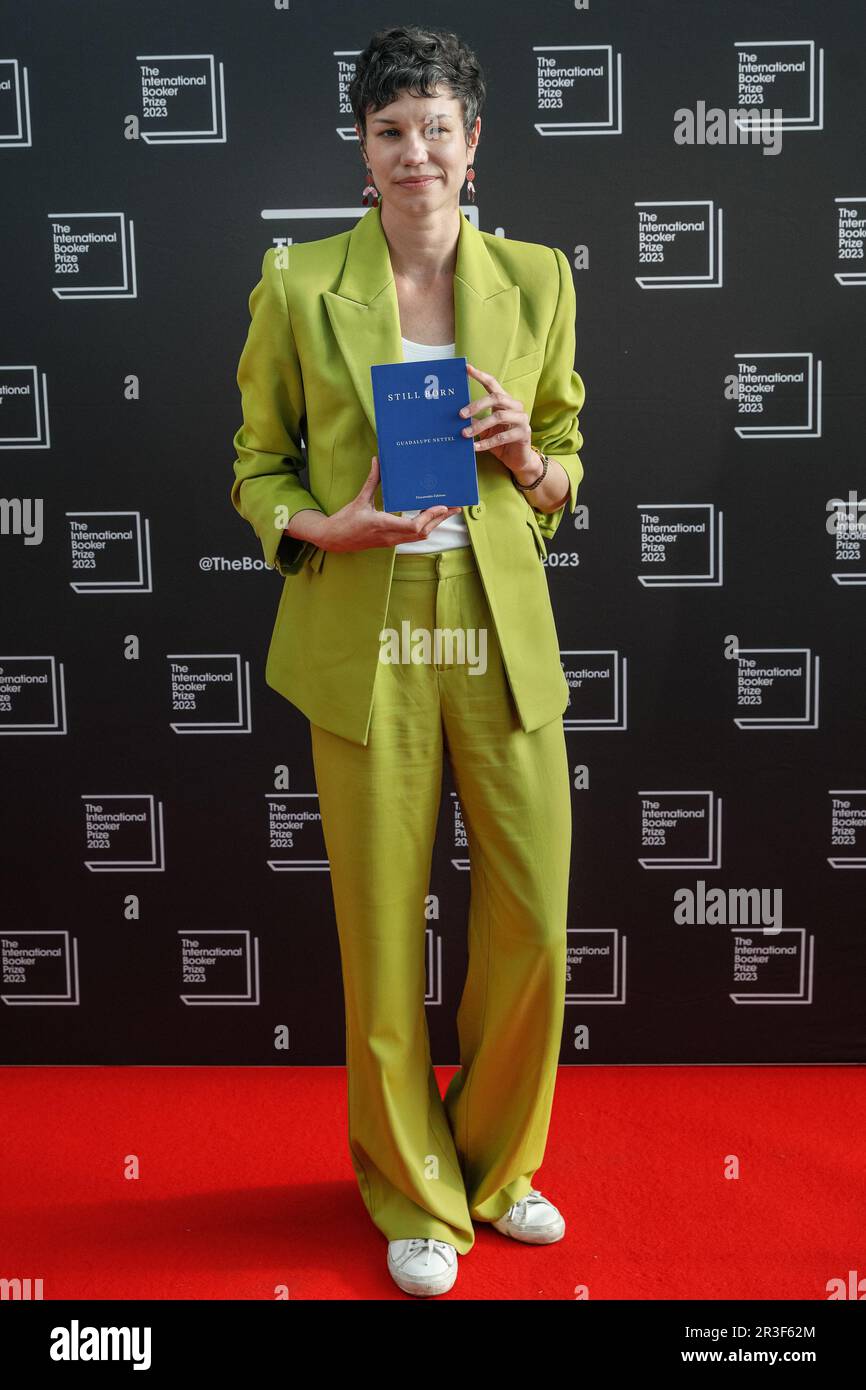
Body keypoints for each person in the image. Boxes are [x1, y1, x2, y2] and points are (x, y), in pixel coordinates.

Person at [230, 24, 586, 1298]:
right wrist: (322, 522)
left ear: (472, 147)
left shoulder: (537, 280)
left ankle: (497, 1167)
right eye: (391, 132)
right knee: (381, 930)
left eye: (437, 128)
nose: (416, 152)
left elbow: (564, 459)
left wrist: (526, 462)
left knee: (532, 919)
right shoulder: (296, 283)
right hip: (366, 623)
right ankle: (413, 1193)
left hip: (494, 624)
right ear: (364, 153)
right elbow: (255, 466)